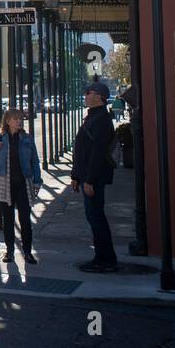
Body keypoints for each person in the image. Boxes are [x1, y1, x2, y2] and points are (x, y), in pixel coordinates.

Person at [0, 108, 41, 265]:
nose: (19, 121)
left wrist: (37, 180)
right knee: (7, 220)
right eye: (15, 119)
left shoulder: (27, 138)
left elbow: (34, 161)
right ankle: (9, 252)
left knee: (25, 220)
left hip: (23, 183)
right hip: (4, 183)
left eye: (20, 118)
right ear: (7, 121)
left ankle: (27, 252)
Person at [73, 81, 118, 273]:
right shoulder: (94, 117)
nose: (85, 95)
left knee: (96, 217)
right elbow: (83, 150)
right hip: (87, 177)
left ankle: (105, 259)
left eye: (88, 92)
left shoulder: (101, 120)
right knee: (93, 217)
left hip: (94, 178)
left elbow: (97, 153)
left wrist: (89, 179)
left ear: (99, 97)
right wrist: (76, 175)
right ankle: (102, 257)